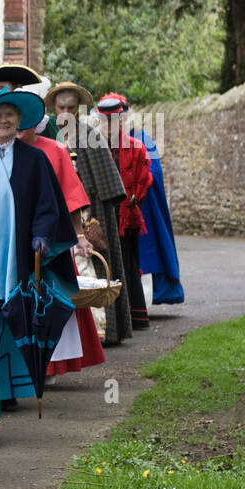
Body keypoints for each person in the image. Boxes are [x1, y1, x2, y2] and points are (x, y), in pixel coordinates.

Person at [0, 89, 77, 409]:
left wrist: (42, 235)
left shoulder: (34, 159)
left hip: (18, 252)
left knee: (14, 313)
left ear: (19, 121)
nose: (3, 120)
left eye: (9, 115)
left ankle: (9, 390)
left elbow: (47, 204)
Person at [15, 109, 106, 376]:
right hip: (14, 237)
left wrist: (78, 236)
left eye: (26, 123)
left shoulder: (55, 150)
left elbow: (71, 195)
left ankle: (52, 364)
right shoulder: (2, 152)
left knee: (53, 298)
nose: (20, 129)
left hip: (51, 240)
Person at [45, 81, 131, 344]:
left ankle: (103, 332)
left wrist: (91, 213)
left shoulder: (90, 136)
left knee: (95, 271)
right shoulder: (46, 135)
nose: (67, 112)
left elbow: (109, 183)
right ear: (54, 107)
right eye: (62, 107)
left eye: (72, 107)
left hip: (88, 212)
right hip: (53, 213)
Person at [95, 93, 154, 330]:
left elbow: (144, 180)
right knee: (105, 265)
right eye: (105, 121)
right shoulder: (93, 146)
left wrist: (132, 202)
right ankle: (110, 322)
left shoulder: (137, 148)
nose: (109, 126)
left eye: (113, 121)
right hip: (102, 216)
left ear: (121, 121)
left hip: (127, 217)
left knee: (128, 264)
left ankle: (133, 317)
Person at [131, 122, 185, 304]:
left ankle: (142, 301)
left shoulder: (142, 138)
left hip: (144, 205)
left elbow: (153, 171)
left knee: (146, 253)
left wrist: (136, 184)